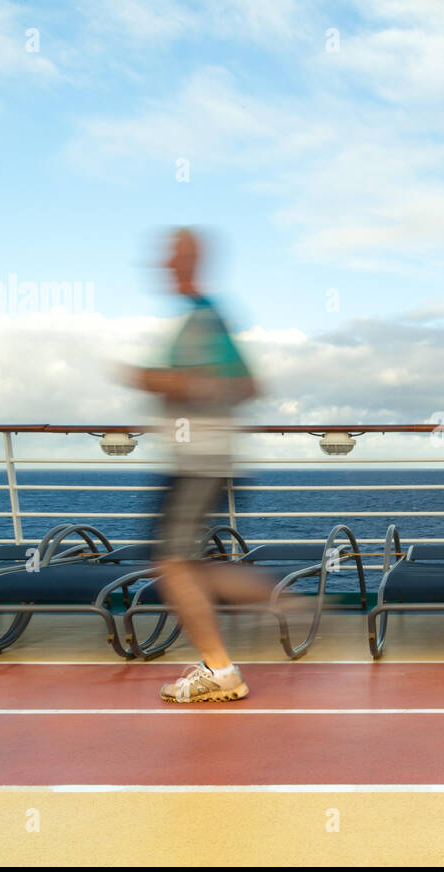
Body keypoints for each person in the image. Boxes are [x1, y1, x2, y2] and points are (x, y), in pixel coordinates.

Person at [122, 227, 281, 702]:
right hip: (188, 460)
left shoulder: (206, 318)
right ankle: (277, 605)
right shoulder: (195, 317)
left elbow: (248, 384)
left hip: (201, 460)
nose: (163, 263)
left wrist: (160, 381)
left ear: (191, 260)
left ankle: (223, 667)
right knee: (175, 563)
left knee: (173, 564)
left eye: (172, 254)